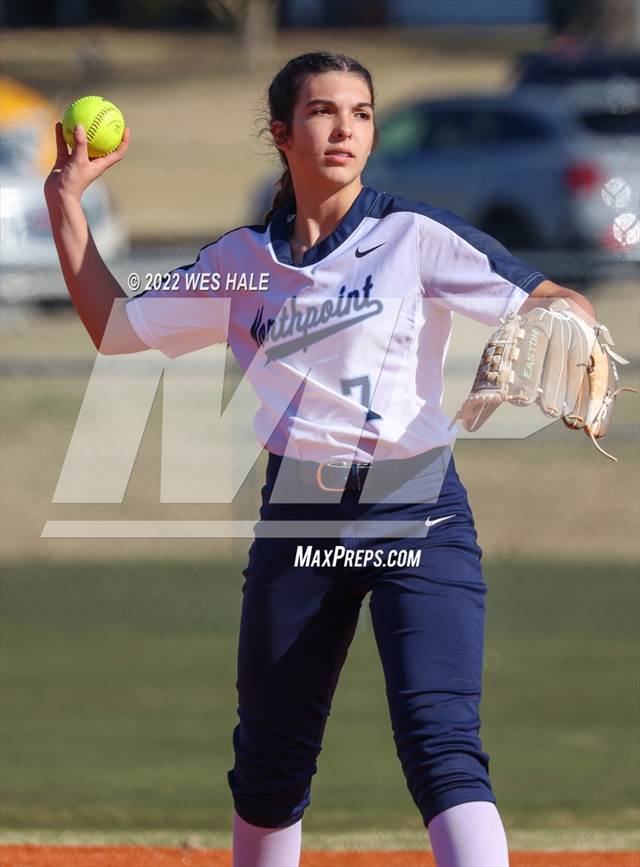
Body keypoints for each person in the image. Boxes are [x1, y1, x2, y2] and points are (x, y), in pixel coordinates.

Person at [45, 52, 596, 867]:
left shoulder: (412, 237)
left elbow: (557, 299)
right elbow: (116, 327)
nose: (345, 128)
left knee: (441, 743)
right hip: (298, 509)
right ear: (282, 133)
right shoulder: (239, 261)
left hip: (417, 504)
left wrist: (564, 321)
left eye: (362, 113)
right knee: (269, 763)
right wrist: (65, 200)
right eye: (323, 111)